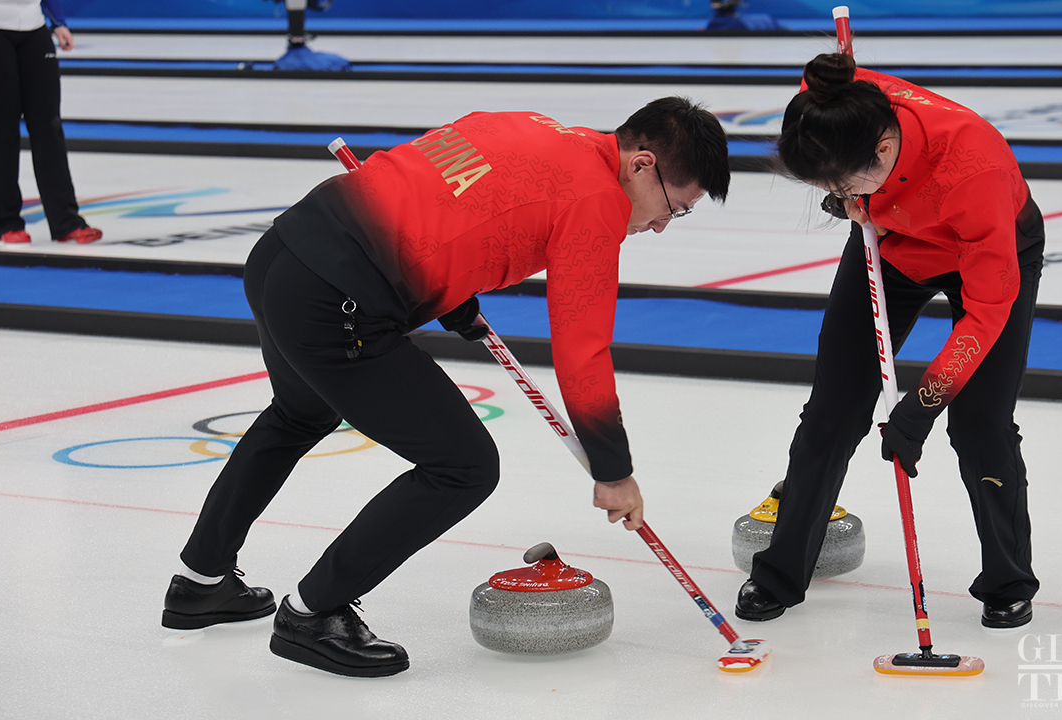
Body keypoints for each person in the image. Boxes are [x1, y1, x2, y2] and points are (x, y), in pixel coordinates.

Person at [161, 97, 731, 677]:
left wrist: (449, 288)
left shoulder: (533, 126)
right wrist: (613, 470)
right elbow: (581, 350)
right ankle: (314, 613)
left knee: (297, 415)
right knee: (463, 466)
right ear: (640, 166)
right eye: (674, 207)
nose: (661, 224)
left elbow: (447, 195)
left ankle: (201, 581)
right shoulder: (597, 203)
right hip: (339, 301)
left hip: (285, 255)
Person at [735, 53, 1044, 630]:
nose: (837, 195)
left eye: (844, 184)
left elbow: (985, 314)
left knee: (981, 422)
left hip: (987, 255)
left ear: (881, 150)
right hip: (891, 244)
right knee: (833, 411)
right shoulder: (831, 106)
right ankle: (779, 571)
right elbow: (819, 76)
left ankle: (1009, 580)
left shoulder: (974, 171)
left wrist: (923, 403)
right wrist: (849, 199)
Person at [0, 0, 101, 244]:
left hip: (34, 27)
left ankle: (67, 222)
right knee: (2, 129)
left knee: (48, 125)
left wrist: (59, 22)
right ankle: (5, 222)